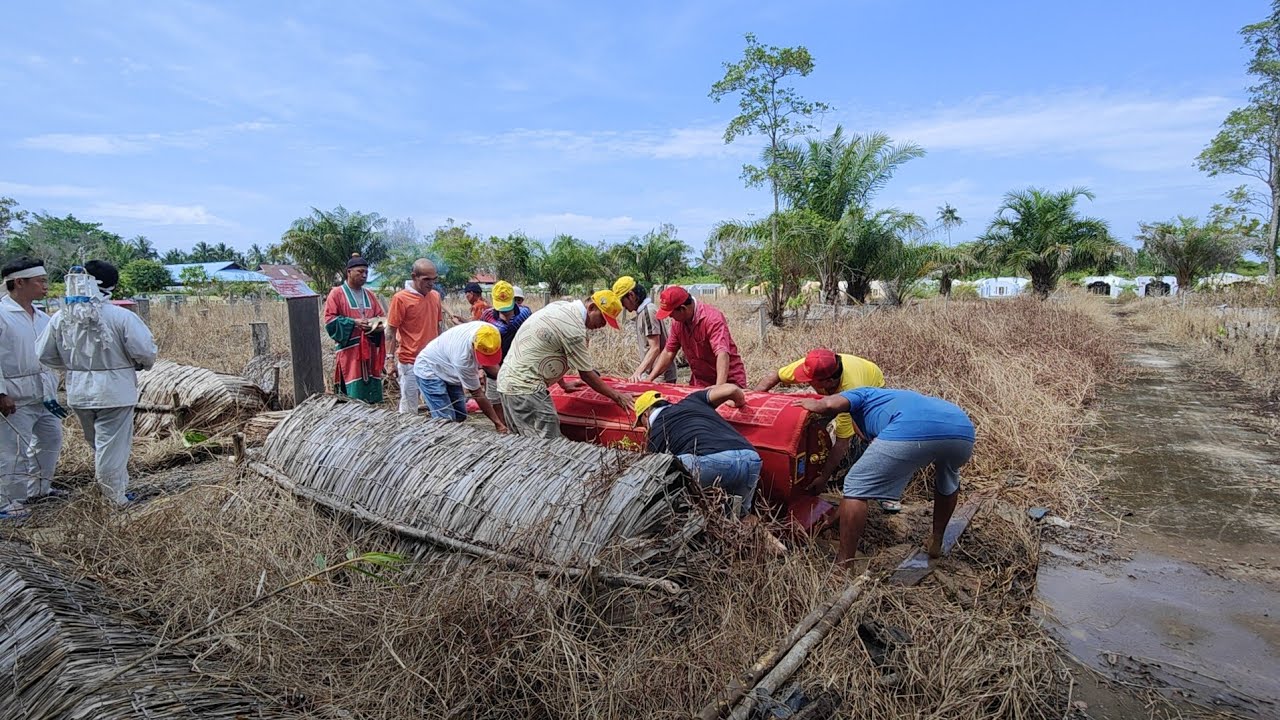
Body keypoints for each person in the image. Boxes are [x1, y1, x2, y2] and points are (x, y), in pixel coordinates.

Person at [792, 388, 975, 568]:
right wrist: (833, 518)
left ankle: (844, 564)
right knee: (948, 478)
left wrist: (814, 404)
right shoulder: (890, 399)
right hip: (962, 429)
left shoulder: (860, 394)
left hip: (912, 426)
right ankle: (936, 540)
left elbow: (830, 403)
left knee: (855, 485)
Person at [38, 260, 157, 507]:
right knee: (111, 445)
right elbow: (145, 351)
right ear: (110, 285)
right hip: (115, 389)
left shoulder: (60, 317)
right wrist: (136, 364)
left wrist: (74, 365)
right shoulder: (120, 316)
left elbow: (44, 354)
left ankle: (115, 488)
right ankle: (114, 498)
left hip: (79, 389)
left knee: (100, 444)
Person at [497, 290, 631, 438]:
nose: (603, 324)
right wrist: (618, 397)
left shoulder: (561, 306)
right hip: (525, 388)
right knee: (548, 443)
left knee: (522, 440)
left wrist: (563, 384)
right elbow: (586, 374)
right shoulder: (574, 329)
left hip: (508, 381)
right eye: (603, 318)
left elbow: (551, 349)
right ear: (592, 307)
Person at [754, 348, 885, 496]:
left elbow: (842, 442)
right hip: (836, 384)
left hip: (871, 384)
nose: (806, 381)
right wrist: (752, 398)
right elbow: (776, 375)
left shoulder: (850, 393)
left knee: (862, 438)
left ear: (829, 381)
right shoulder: (813, 364)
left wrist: (823, 477)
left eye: (810, 381)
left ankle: (854, 479)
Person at [0, 258, 64, 518]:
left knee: (50, 439)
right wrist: (1, 393)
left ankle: (38, 488)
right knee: (11, 448)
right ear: (19, 283)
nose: (45, 286)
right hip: (15, 395)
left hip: (43, 393)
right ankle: (8, 501)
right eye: (40, 281)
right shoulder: (2, 315)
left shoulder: (41, 316)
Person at [412, 321, 508, 432]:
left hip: (449, 366)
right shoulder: (463, 359)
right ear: (473, 345)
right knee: (445, 420)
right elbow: (477, 394)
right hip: (429, 369)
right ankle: (441, 439)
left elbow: (489, 364)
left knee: (460, 414)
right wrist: (498, 423)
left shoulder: (490, 332)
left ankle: (452, 434)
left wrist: (506, 381)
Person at [643, 286, 746, 387]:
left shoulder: (712, 319)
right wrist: (650, 379)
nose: (670, 317)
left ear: (683, 309)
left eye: (671, 314)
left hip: (727, 381)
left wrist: (719, 388)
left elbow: (722, 353)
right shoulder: (677, 323)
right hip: (701, 382)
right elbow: (669, 352)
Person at [324, 254, 386, 404]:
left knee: (371, 389)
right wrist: (353, 323)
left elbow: (381, 317)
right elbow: (330, 320)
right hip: (350, 352)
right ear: (349, 272)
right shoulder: (337, 293)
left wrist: (375, 325)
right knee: (353, 390)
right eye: (360, 271)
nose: (364, 275)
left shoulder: (369, 294)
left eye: (366, 272)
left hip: (369, 349)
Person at [386, 259, 444, 414]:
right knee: (409, 407)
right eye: (426, 279)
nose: (431, 283)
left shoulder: (435, 296)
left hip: (432, 360)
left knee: (437, 404)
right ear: (414, 276)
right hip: (410, 361)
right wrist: (390, 359)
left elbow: (438, 327)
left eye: (434, 279)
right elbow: (391, 330)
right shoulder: (401, 299)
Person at [480, 280, 532, 416]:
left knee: (518, 405)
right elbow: (480, 344)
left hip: (518, 368)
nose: (505, 312)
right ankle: (503, 431)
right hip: (494, 369)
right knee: (496, 401)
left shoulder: (525, 314)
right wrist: (480, 368)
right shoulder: (487, 316)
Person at [612, 275, 676, 383]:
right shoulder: (643, 312)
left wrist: (638, 372)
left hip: (659, 376)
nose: (623, 306)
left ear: (631, 295)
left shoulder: (647, 312)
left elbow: (655, 348)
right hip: (654, 374)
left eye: (623, 302)